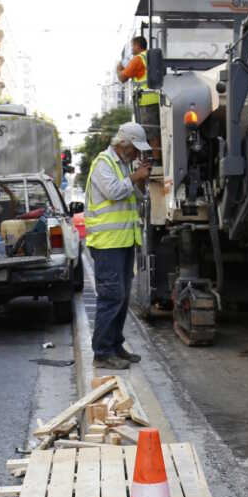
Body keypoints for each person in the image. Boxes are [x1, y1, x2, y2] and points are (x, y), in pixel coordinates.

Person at [85, 121, 151, 370]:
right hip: (107, 244)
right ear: (123, 144)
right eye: (134, 148)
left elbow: (136, 196)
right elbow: (113, 191)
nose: (136, 153)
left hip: (124, 241)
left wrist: (140, 179)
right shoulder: (103, 163)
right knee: (111, 297)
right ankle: (102, 352)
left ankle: (115, 345)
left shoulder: (123, 165)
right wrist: (135, 176)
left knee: (122, 298)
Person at [117, 35, 160, 129]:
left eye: (132, 46)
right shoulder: (150, 56)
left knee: (151, 135)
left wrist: (119, 68)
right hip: (157, 99)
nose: (132, 49)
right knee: (157, 133)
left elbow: (122, 78)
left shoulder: (137, 59)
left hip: (146, 103)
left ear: (137, 45)